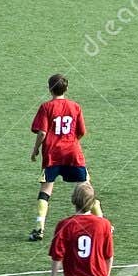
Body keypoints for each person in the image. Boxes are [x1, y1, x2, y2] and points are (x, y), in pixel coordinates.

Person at [29, 74, 99, 241]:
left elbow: (43, 132)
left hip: (52, 155)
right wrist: (71, 142)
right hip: (73, 154)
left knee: (46, 191)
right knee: (86, 187)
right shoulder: (75, 106)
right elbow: (81, 131)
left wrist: (36, 149)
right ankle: (103, 223)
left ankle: (39, 227)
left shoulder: (46, 107)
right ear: (66, 88)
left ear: (49, 89)